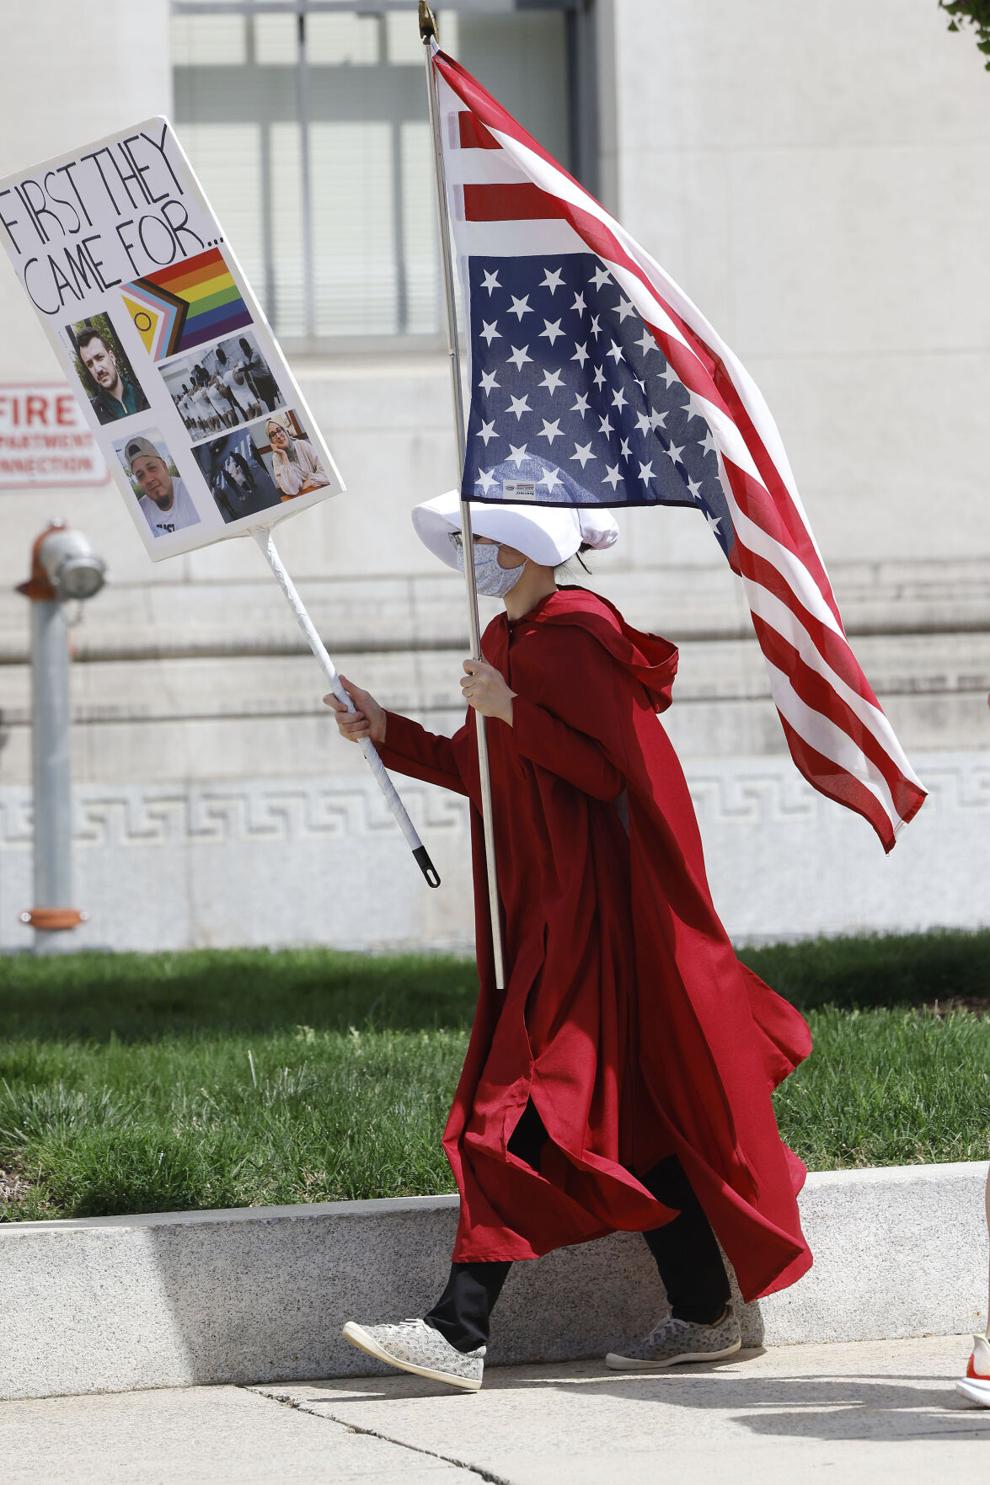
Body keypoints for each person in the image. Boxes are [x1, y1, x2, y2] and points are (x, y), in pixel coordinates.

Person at [326, 482, 814, 1394]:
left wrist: (515, 711)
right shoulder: (504, 640)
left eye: (484, 538)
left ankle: (457, 1329)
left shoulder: (581, 635)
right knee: (634, 1124)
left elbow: (614, 773)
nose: (470, 554)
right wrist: (386, 729)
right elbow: (482, 769)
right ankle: (706, 1310)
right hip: (541, 916)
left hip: (597, 923)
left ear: (521, 544)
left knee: (506, 1112)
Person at [124, 436, 199, 537]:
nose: (149, 479)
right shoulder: (141, 512)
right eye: (140, 475)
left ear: (164, 466)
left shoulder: (192, 492)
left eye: (152, 468)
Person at [75, 326, 149, 424]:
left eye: (99, 358)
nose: (97, 369)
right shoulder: (93, 416)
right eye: (90, 364)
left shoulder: (145, 392)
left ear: (112, 357)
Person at [266, 413, 330, 500]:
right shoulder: (276, 458)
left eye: (279, 430)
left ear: (284, 431)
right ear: (271, 441)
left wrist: (311, 480)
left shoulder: (302, 444)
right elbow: (292, 490)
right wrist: (284, 456)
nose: (278, 436)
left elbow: (327, 470)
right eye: (273, 434)